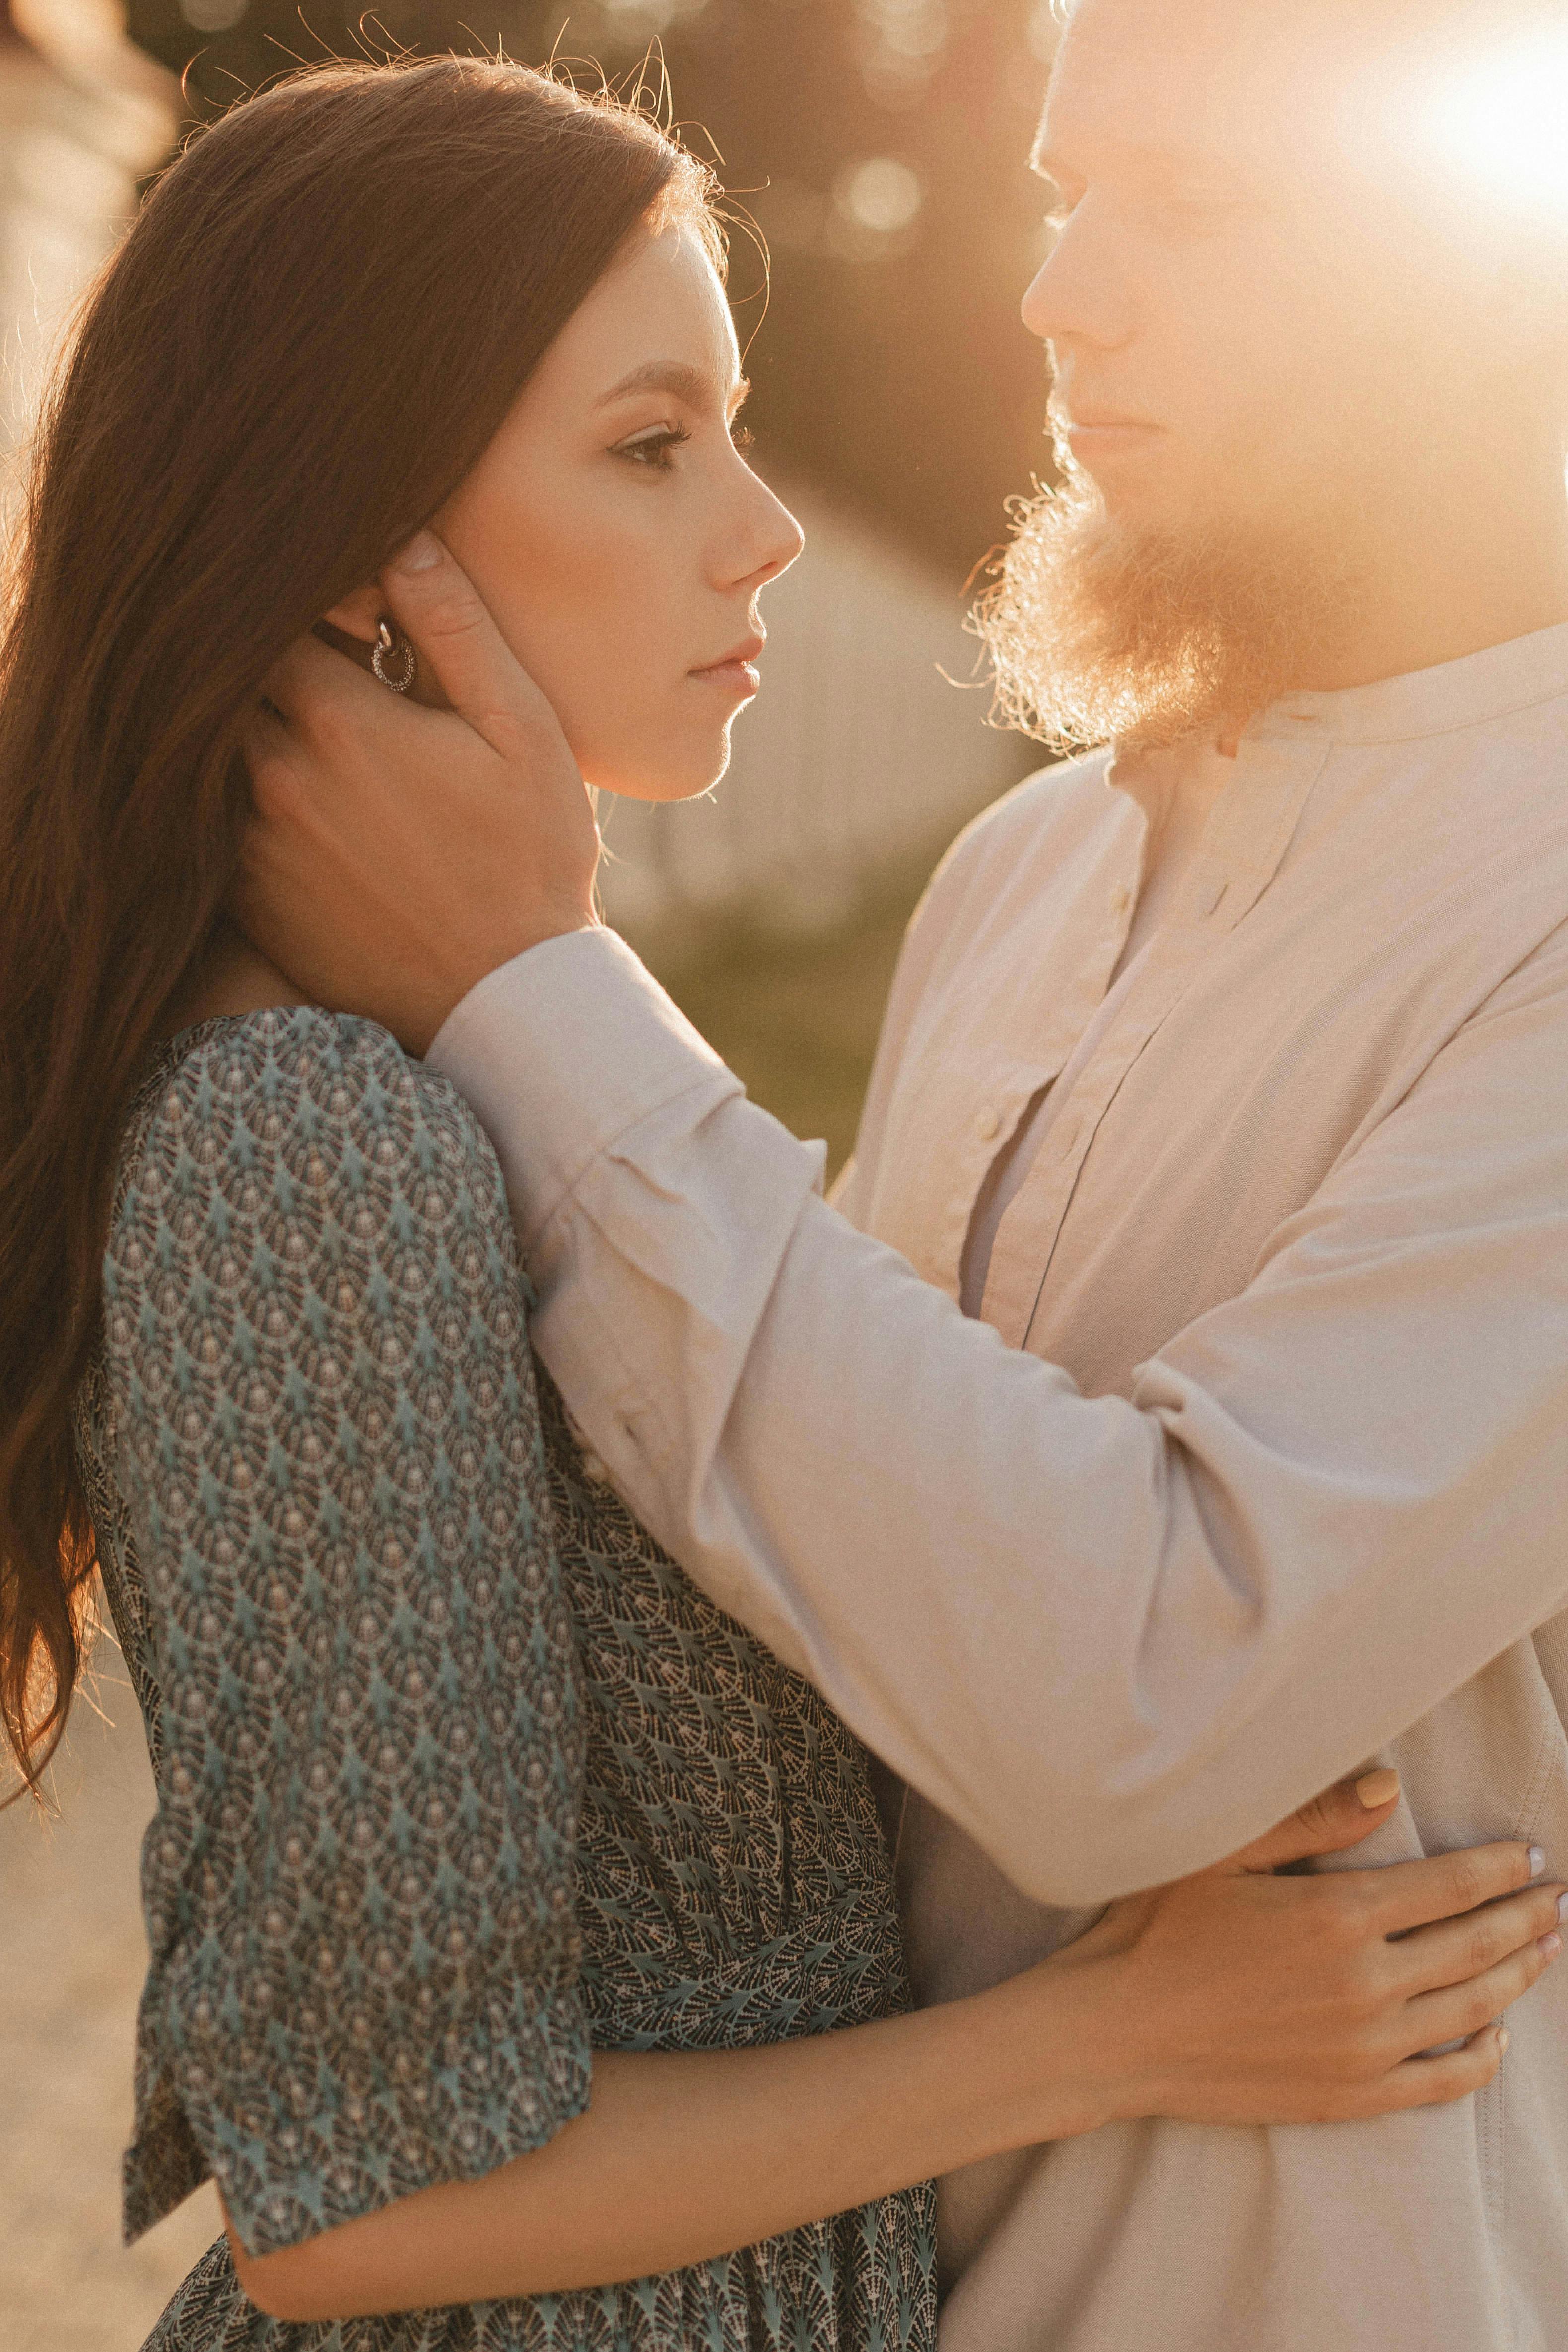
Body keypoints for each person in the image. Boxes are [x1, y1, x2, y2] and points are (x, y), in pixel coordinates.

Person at [1, 50, 1549, 2352]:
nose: (1054, 294)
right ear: (348, 529)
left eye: (1189, 205)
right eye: (1060, 188)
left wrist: (541, 993)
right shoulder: (1013, 884)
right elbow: (365, 2152)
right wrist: (1087, 2034)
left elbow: (1127, 1688)